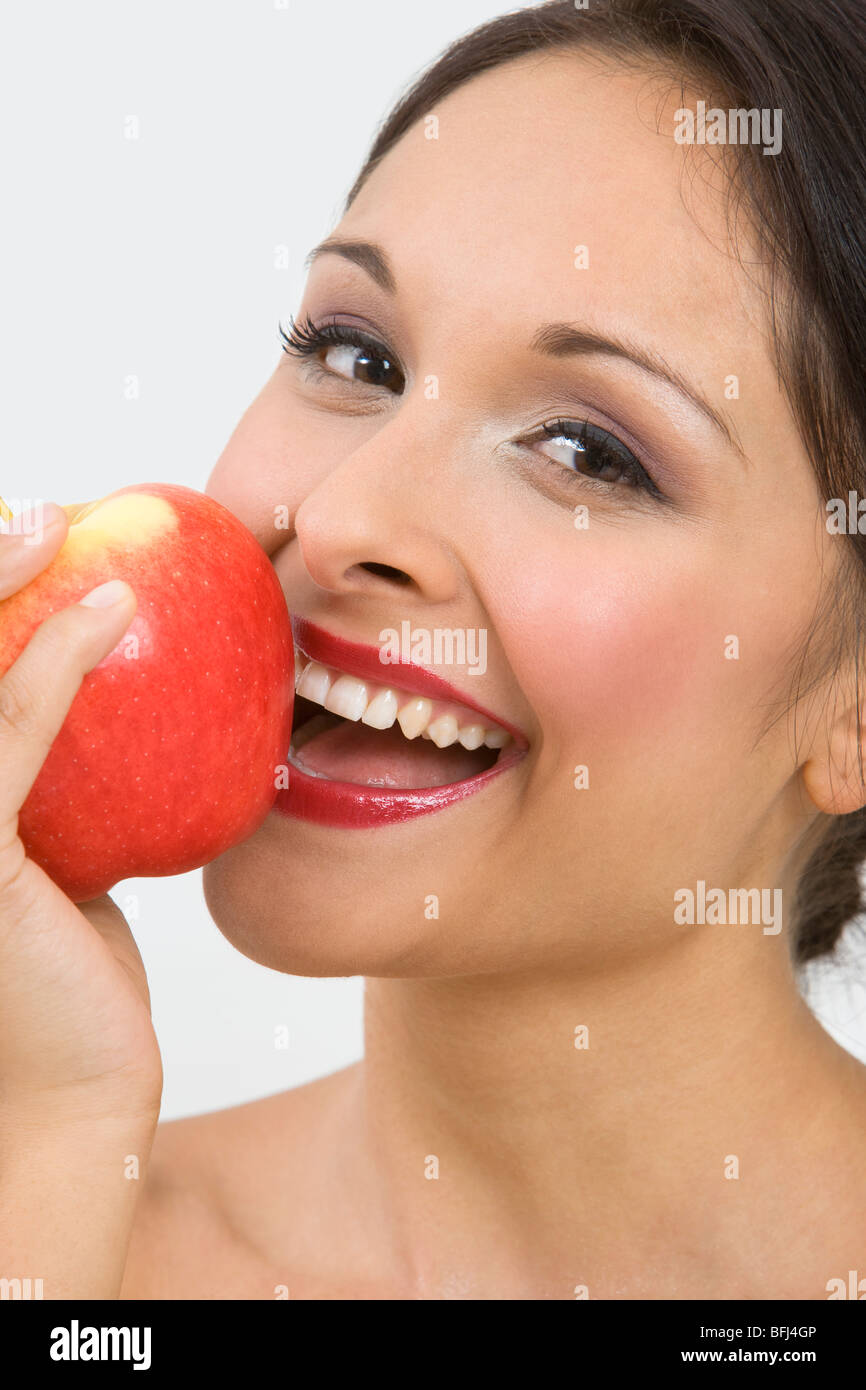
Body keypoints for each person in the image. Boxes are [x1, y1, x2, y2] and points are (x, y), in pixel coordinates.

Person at [2, 0, 865, 1300]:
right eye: (354, 353)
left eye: (588, 451)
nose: (341, 516)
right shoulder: (55, 1214)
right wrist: (49, 1155)